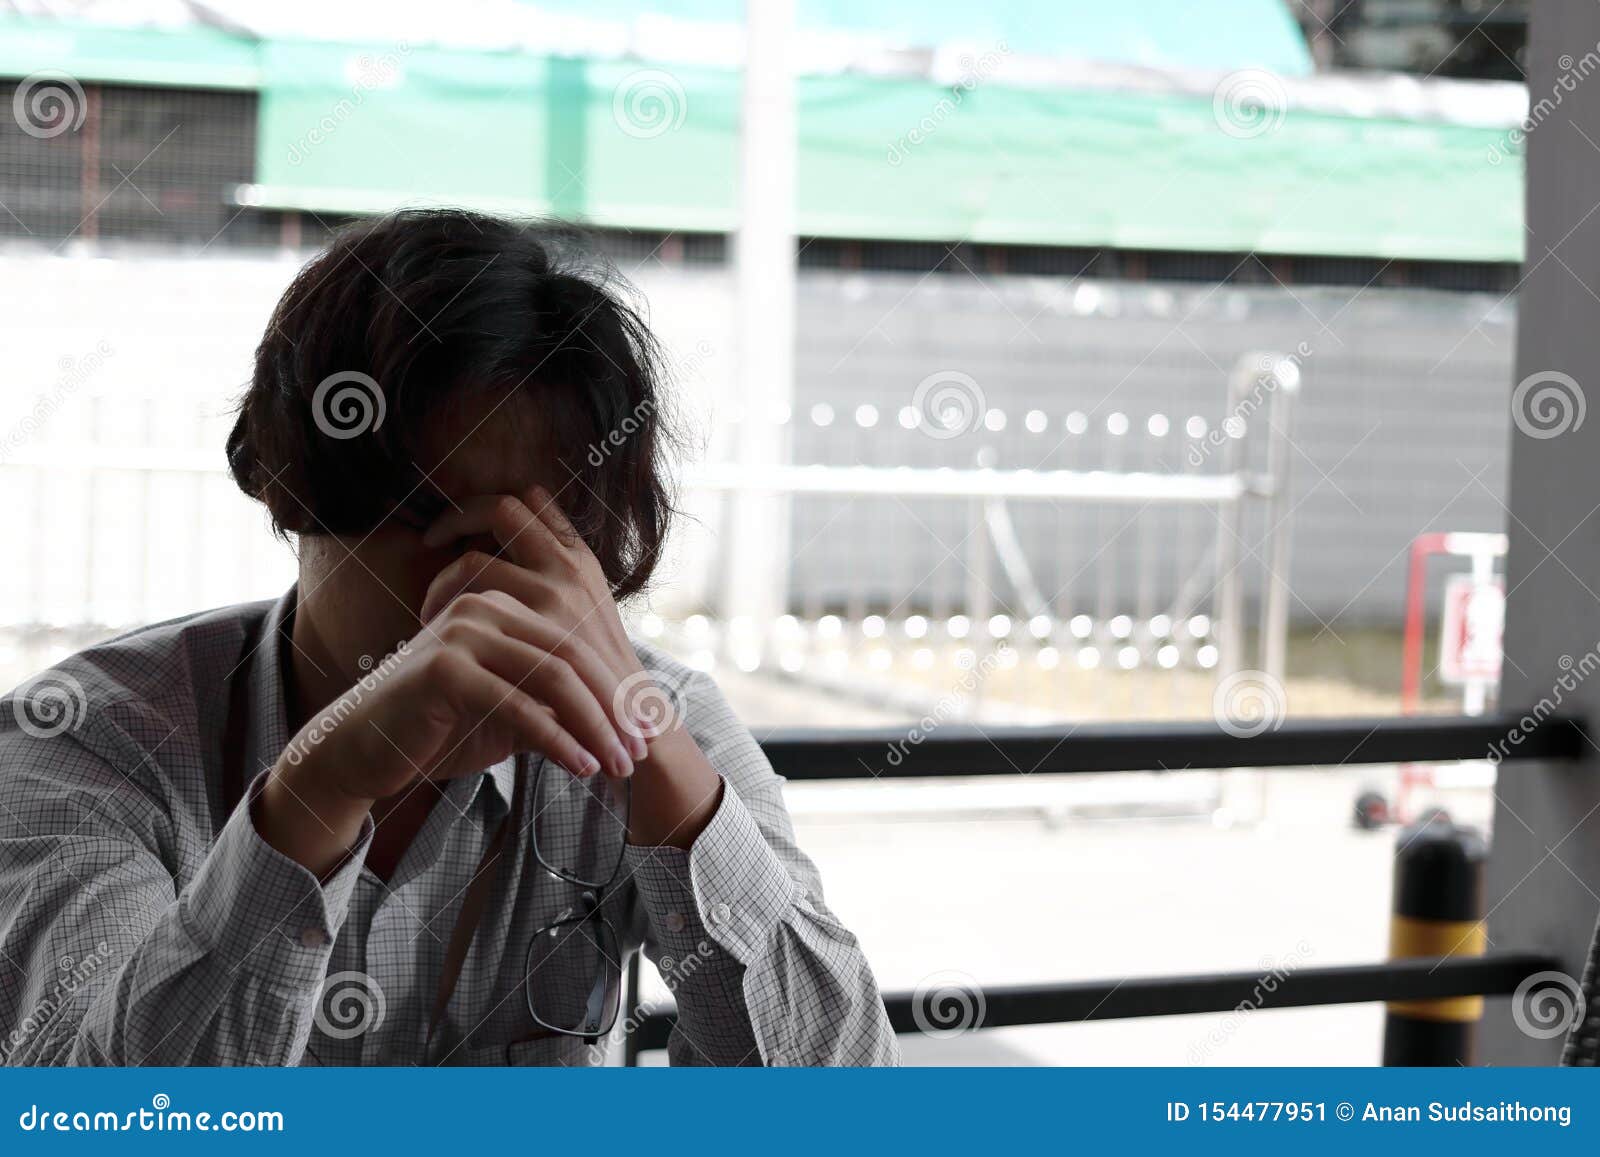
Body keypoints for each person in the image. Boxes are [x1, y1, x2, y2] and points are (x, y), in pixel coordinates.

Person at [0, 209, 899, 1067]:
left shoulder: (655, 726)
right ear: (289, 486)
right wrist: (321, 789)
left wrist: (659, 772)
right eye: (439, 524)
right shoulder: (89, 743)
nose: (484, 598)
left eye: (544, 543)